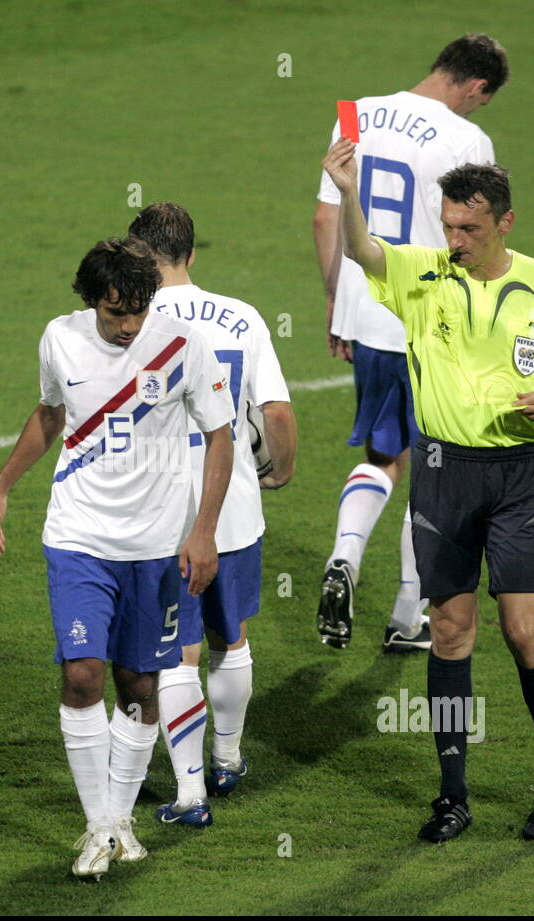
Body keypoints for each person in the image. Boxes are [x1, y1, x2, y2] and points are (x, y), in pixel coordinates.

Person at [323, 139, 534, 842]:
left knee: (523, 628)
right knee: (449, 632)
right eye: (448, 226)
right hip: (443, 475)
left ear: (506, 222)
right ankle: (452, 796)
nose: (456, 240)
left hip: (518, 475)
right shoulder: (423, 274)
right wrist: (348, 192)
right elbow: (361, 250)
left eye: (470, 228)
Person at [0, 237, 234, 878]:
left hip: (156, 547)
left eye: (138, 311)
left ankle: (119, 821)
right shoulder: (60, 339)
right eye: (115, 312)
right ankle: (98, 826)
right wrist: (2, 488)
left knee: (140, 686)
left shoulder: (183, 344)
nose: (127, 326)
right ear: (91, 298)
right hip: (79, 537)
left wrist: (204, 531)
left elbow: (220, 435)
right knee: (81, 674)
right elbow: (49, 414)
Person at [313, 33, 507, 652]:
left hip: (366, 314)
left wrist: (337, 302)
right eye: (482, 100)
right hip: (430, 322)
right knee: (437, 467)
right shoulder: (467, 139)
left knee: (383, 455)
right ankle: (407, 616)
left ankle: (344, 557)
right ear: (476, 86)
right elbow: (476, 236)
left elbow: (325, 216)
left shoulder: (355, 115)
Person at [128, 203, 296, 825]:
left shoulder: (129, 322)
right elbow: (276, 413)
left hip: (161, 513)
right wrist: (280, 469)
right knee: (232, 637)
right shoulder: (243, 317)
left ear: (138, 255)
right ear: (192, 254)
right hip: (234, 507)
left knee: (178, 652)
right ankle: (227, 759)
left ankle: (190, 792)